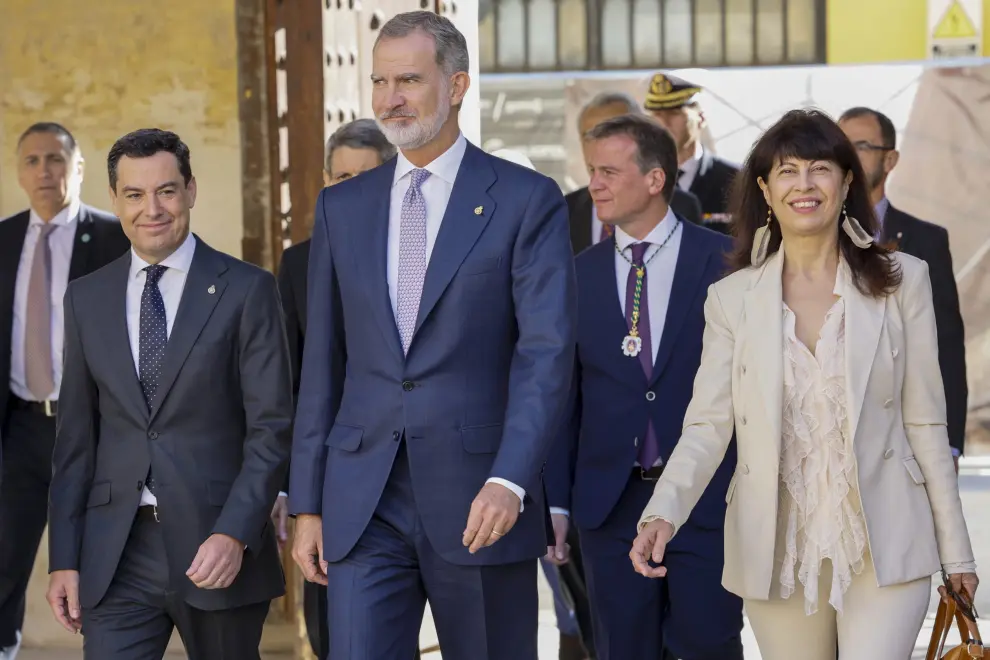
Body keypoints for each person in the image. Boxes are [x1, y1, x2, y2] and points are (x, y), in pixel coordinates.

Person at [630, 108, 979, 660]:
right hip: (776, 545)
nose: (805, 184)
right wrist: (662, 511)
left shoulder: (903, 281)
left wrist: (958, 556)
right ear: (766, 191)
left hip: (885, 541)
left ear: (846, 183)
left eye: (820, 168)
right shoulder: (732, 299)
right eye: (787, 171)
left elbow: (926, 424)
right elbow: (707, 425)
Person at [288, 10, 577, 660]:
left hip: (481, 497)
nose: (391, 99)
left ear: (457, 85)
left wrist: (511, 479)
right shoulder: (342, 207)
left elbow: (546, 355)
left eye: (410, 80)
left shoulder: (525, 200)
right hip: (364, 502)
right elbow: (323, 366)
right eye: (380, 81)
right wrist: (308, 500)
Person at [46, 128, 293, 659]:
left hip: (216, 547)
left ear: (191, 191)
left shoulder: (247, 290)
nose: (151, 209)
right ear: (114, 200)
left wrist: (235, 532)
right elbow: (75, 441)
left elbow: (272, 428)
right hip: (116, 554)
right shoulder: (86, 299)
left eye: (166, 191)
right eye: (134, 194)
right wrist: (63, 558)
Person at [546, 114, 742, 660]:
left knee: (709, 644)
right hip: (610, 504)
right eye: (591, 171)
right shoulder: (575, 274)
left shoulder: (725, 262)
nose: (595, 184)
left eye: (609, 171)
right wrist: (556, 504)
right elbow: (565, 401)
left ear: (655, 180)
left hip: (707, 499)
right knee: (622, 650)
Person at [0, 122, 129, 660]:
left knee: (99, 561)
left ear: (78, 168)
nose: (44, 171)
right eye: (32, 160)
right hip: (20, 429)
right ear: (20, 172)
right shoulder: (3, 239)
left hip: (93, 430)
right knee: (3, 563)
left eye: (55, 158)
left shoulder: (114, 236)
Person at [276, 118, 397, 660]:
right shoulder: (298, 261)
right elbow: (291, 381)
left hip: (410, 463)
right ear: (325, 180)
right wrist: (292, 489)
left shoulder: (417, 253)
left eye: (363, 177)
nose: (348, 188)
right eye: (339, 177)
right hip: (332, 472)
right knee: (332, 631)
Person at [838, 106, 967, 468]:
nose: (846, 155)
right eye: (839, 144)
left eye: (860, 145)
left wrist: (950, 443)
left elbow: (946, 344)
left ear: (890, 159)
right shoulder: (808, 235)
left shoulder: (926, 240)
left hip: (902, 438)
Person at [566, 92, 703, 255]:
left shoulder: (681, 206)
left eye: (612, 134)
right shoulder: (563, 211)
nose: (599, 145)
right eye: (590, 135)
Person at [644, 72, 738, 234]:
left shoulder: (736, 180)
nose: (664, 123)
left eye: (675, 112)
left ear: (701, 118)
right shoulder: (640, 181)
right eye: (658, 114)